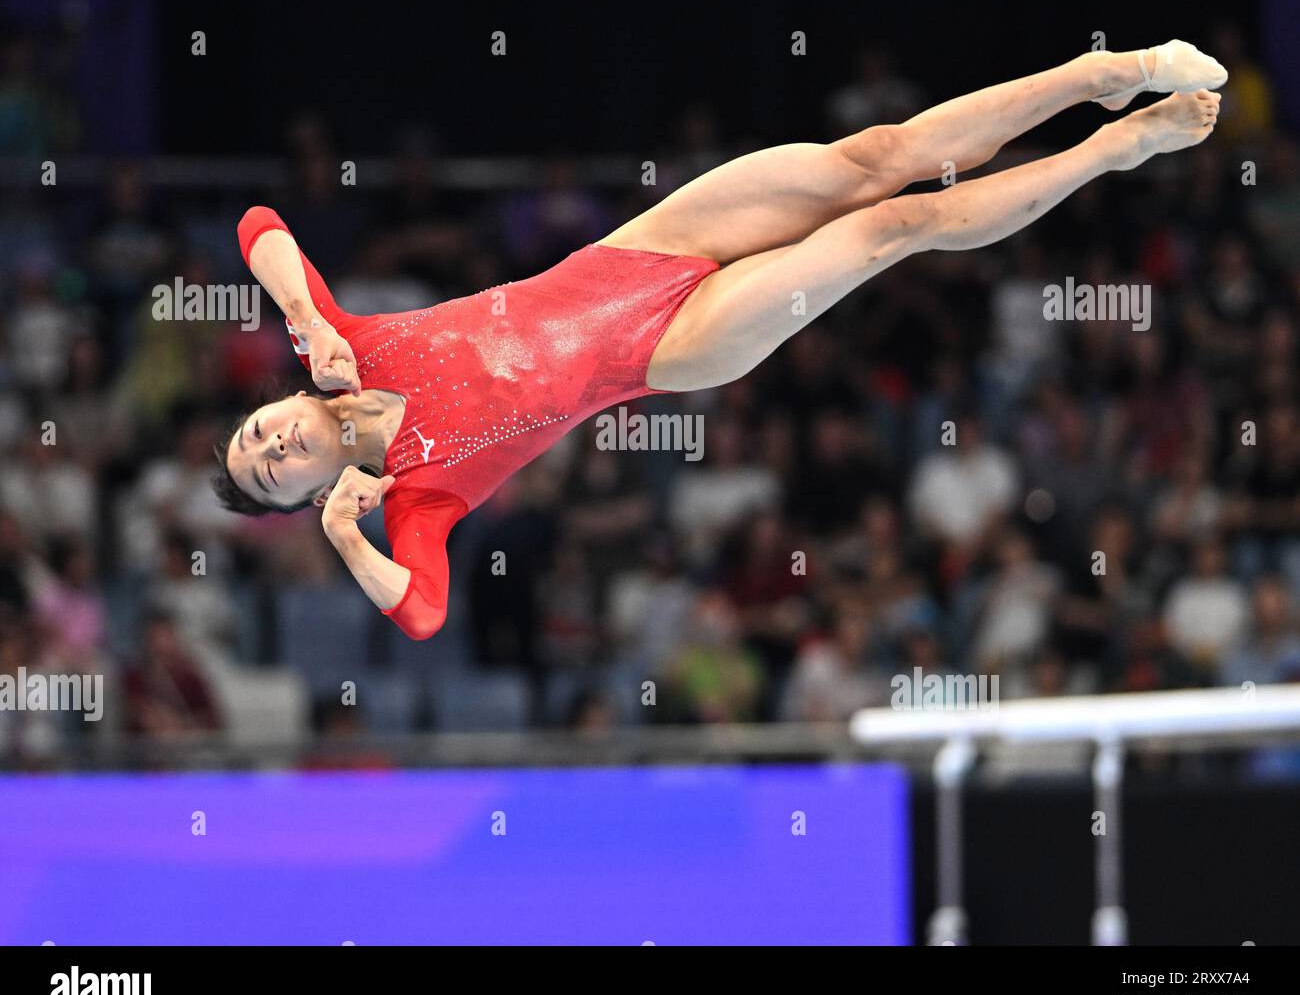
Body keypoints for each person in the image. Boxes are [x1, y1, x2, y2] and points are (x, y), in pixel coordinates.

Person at [214, 42, 1226, 641]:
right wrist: (352, 534)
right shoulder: (418, 497)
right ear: (302, 497)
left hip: (636, 249)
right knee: (889, 228)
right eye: (271, 476)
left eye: (257, 435)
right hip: (671, 347)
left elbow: (260, 220)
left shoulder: (340, 340)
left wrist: (306, 319)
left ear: (275, 404)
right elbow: (425, 613)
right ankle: (1115, 145)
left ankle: (1106, 71)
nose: (271, 448)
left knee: (873, 160)